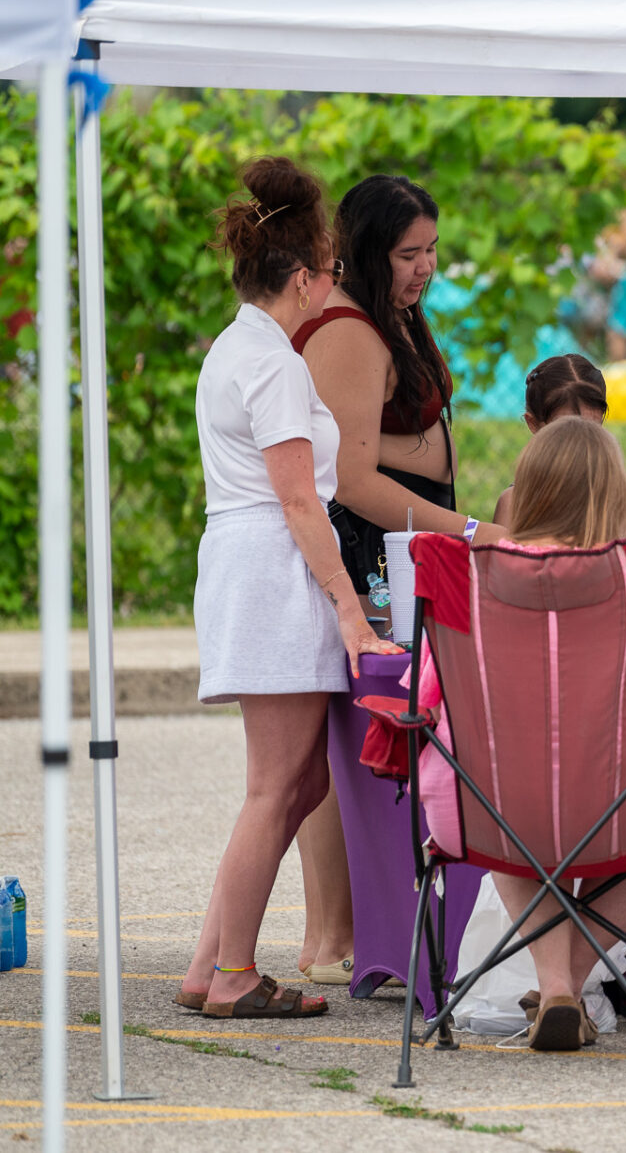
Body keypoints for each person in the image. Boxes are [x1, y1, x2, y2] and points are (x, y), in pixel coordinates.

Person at [178, 157, 401, 1019]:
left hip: (255, 564)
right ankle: (230, 973)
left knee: (295, 782)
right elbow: (300, 497)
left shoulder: (241, 346)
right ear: (304, 276)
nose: (330, 288)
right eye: (330, 272)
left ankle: (211, 963)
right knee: (279, 786)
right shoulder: (270, 362)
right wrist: (349, 608)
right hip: (271, 566)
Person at [290, 174, 502, 986]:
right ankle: (331, 934)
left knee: (370, 731)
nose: (427, 268)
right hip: (374, 556)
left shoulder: (390, 315)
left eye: (434, 250)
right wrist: (474, 530)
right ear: (367, 254)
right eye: (410, 254)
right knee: (355, 732)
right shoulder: (347, 329)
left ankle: (353, 927)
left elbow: (384, 445)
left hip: (407, 542)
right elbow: (351, 477)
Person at [488, 417, 626, 1050]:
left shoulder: (475, 576)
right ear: (613, 494)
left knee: (500, 830)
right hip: (616, 800)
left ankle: (556, 989)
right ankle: (566, 983)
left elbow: (435, 699)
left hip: (500, 798)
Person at [491, 354, 626, 533]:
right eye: (565, 430)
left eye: (592, 428)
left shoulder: (625, 493)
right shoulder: (515, 501)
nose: (581, 440)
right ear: (533, 424)